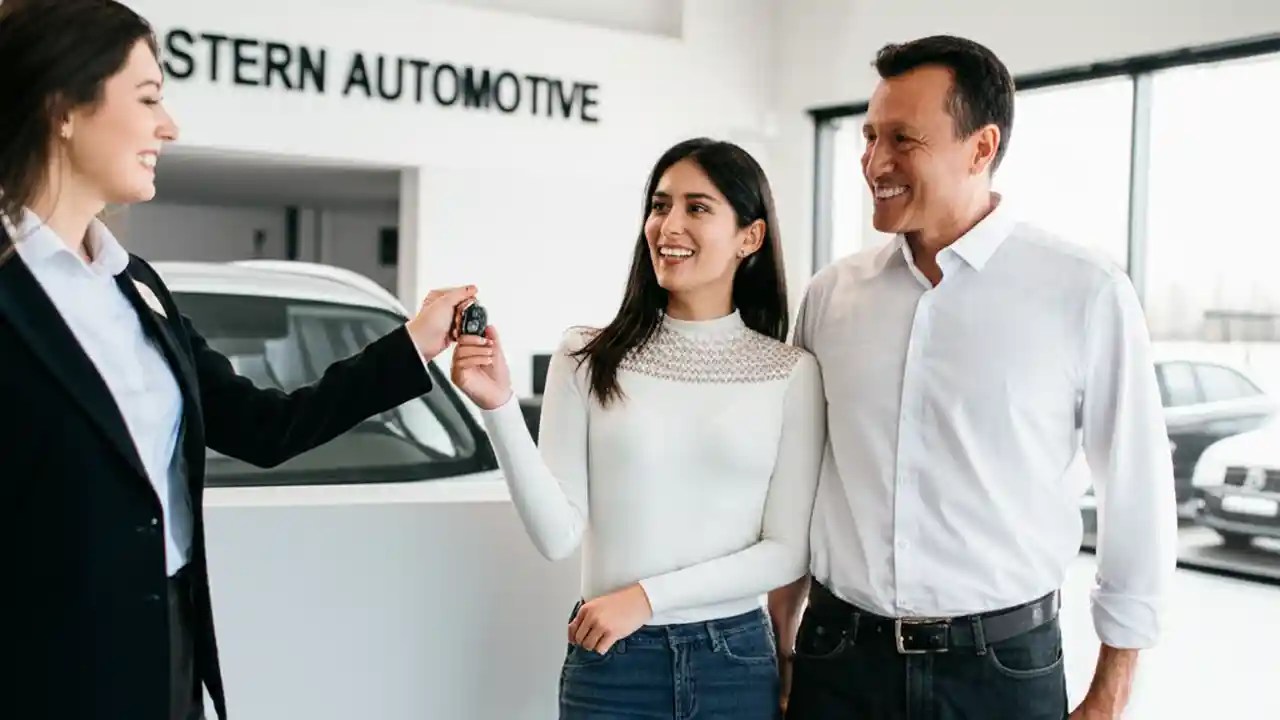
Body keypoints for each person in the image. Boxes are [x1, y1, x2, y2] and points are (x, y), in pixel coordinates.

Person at [0, 2, 478, 719]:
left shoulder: (136, 289)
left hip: (167, 650)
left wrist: (412, 345)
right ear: (63, 107)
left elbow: (264, 426)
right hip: (43, 672)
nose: (171, 126)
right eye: (151, 97)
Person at [770, 35, 1177, 720]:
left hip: (1002, 671)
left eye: (903, 139)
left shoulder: (1084, 291)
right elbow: (795, 485)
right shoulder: (830, 297)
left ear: (980, 147)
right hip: (838, 659)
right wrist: (781, 649)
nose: (874, 161)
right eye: (868, 137)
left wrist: (1112, 692)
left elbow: (1137, 495)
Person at [450, 137, 826, 718]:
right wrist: (497, 407)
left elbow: (785, 552)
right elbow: (556, 535)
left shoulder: (789, 373)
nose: (668, 224)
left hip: (734, 660)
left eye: (697, 208)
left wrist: (647, 599)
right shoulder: (585, 355)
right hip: (611, 662)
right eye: (659, 205)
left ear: (749, 238)